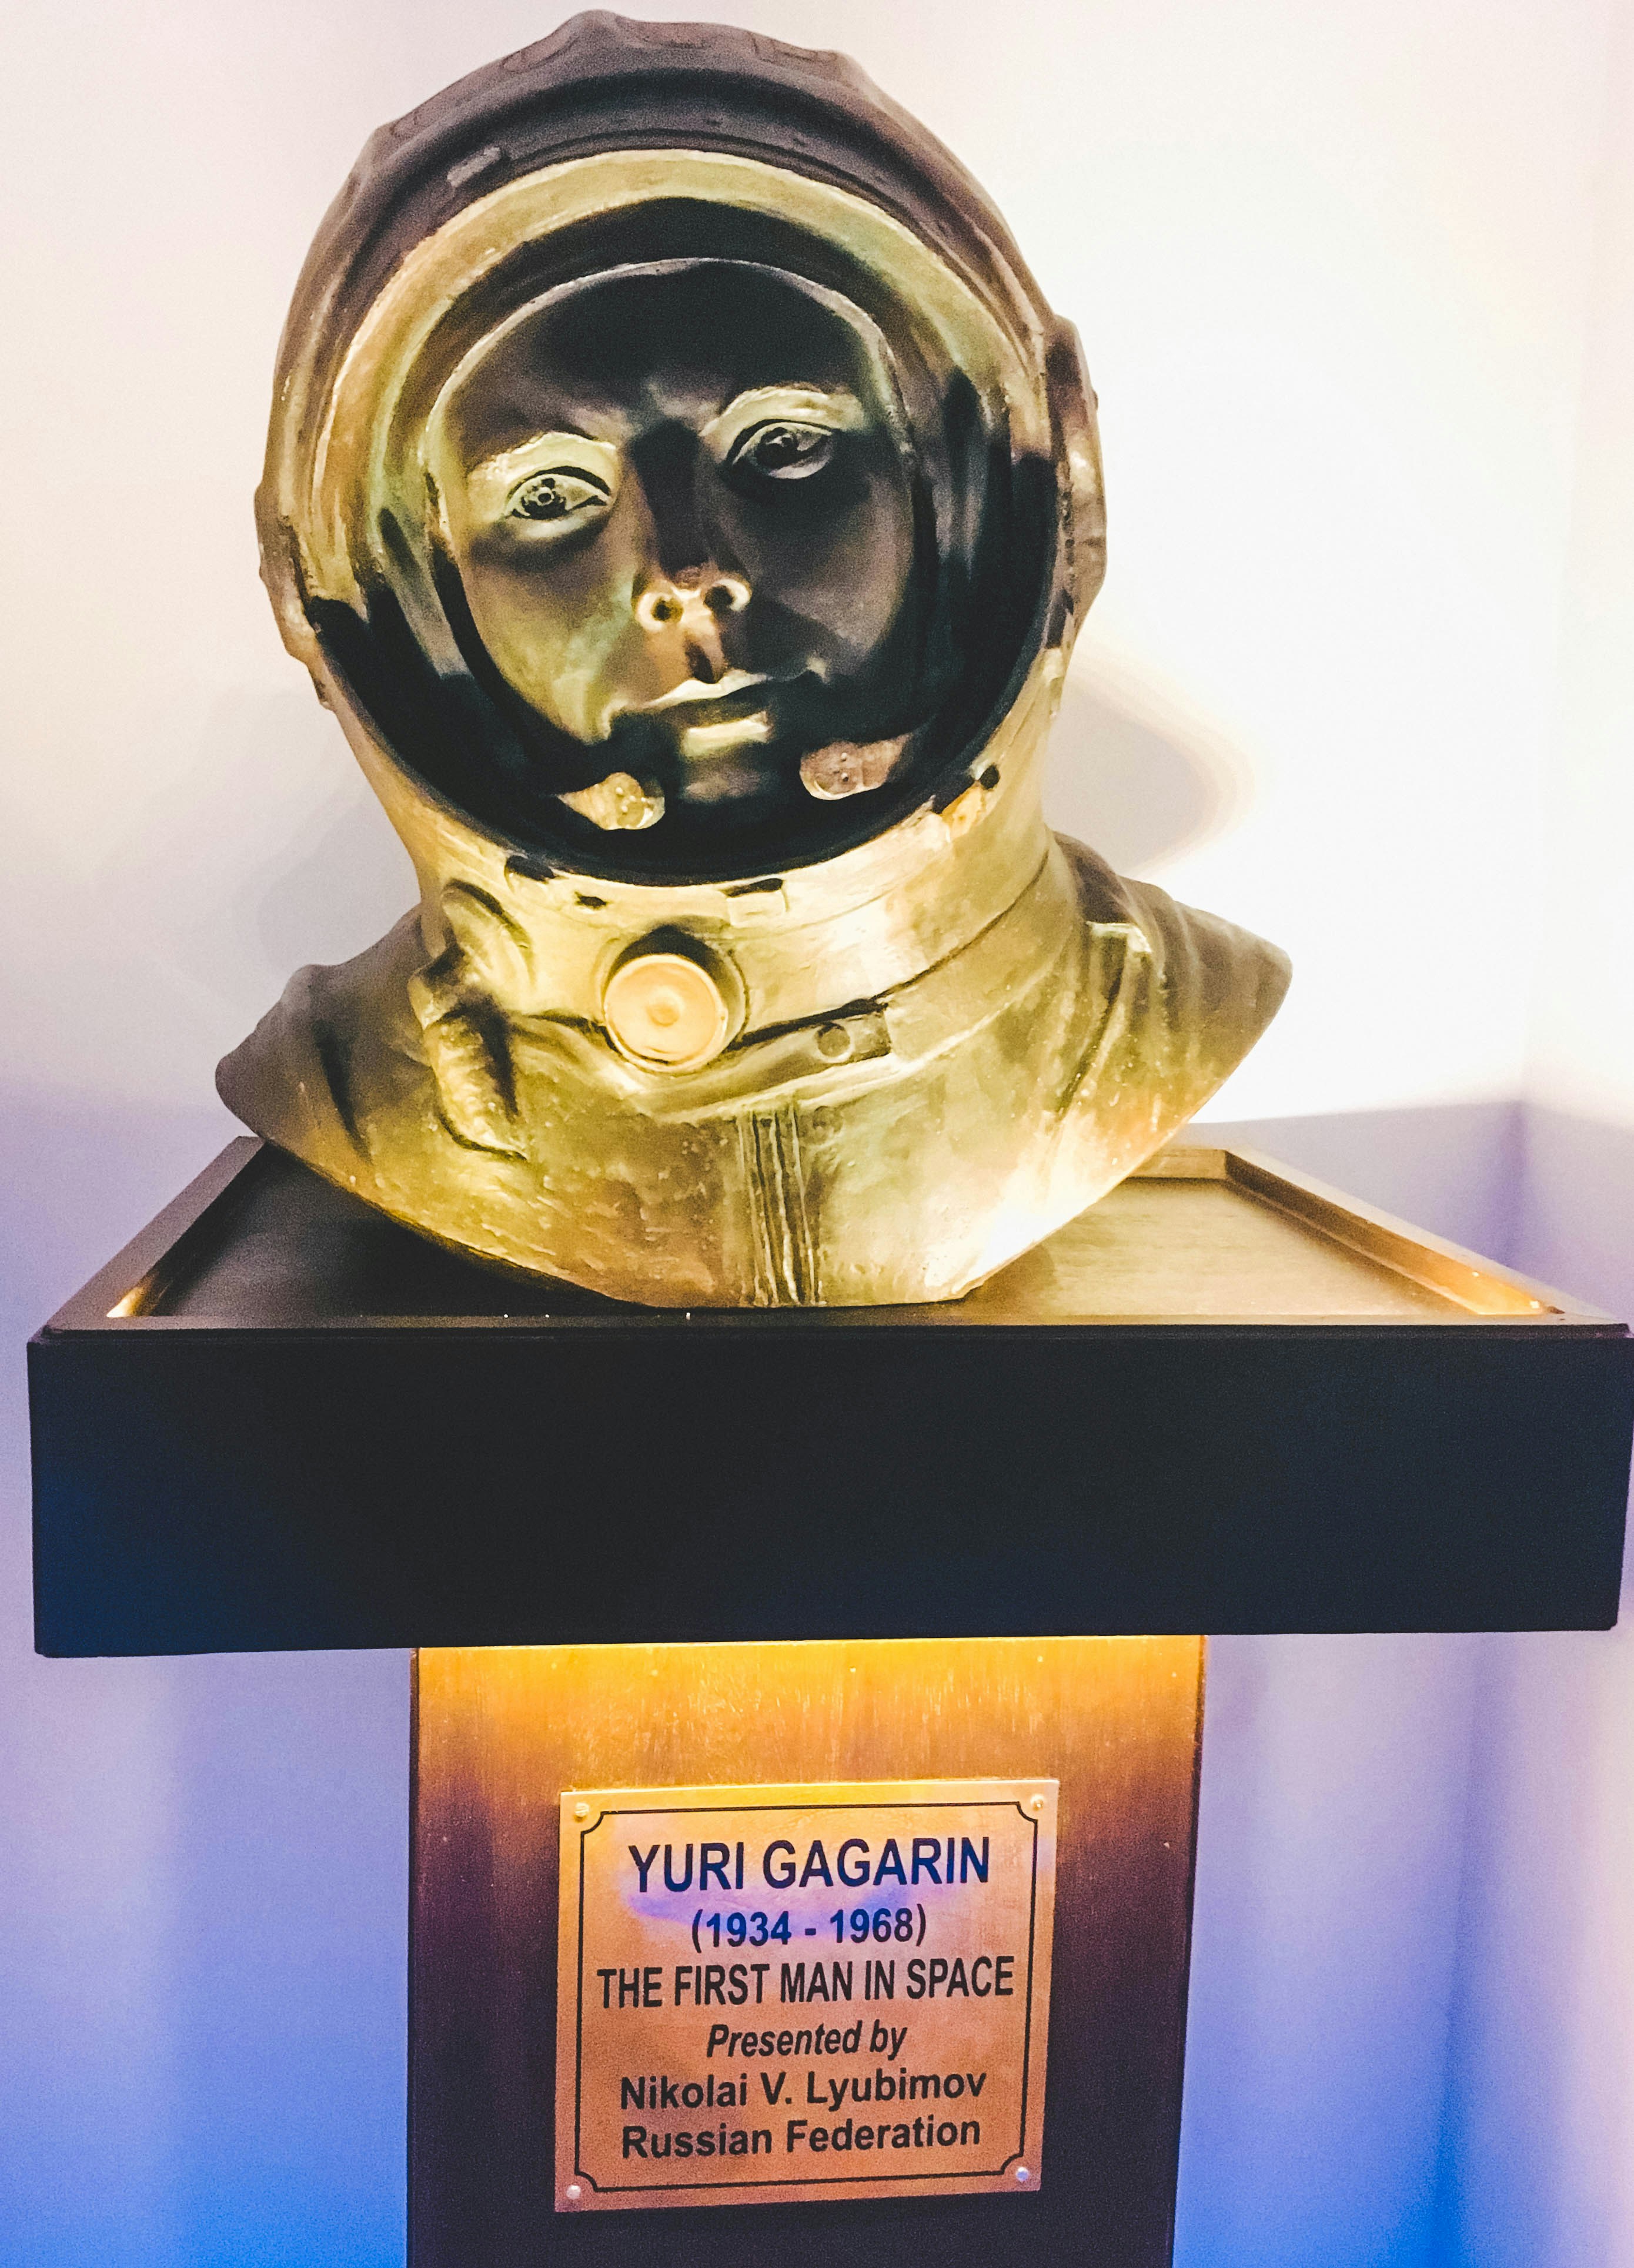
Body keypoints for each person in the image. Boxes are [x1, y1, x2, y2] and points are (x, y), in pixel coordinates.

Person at [220, 14, 1289, 1306]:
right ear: (394, 598)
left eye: (784, 447)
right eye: (551, 496)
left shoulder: (1160, 1016)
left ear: (990, 499)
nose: (685, 569)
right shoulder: (356, 1088)